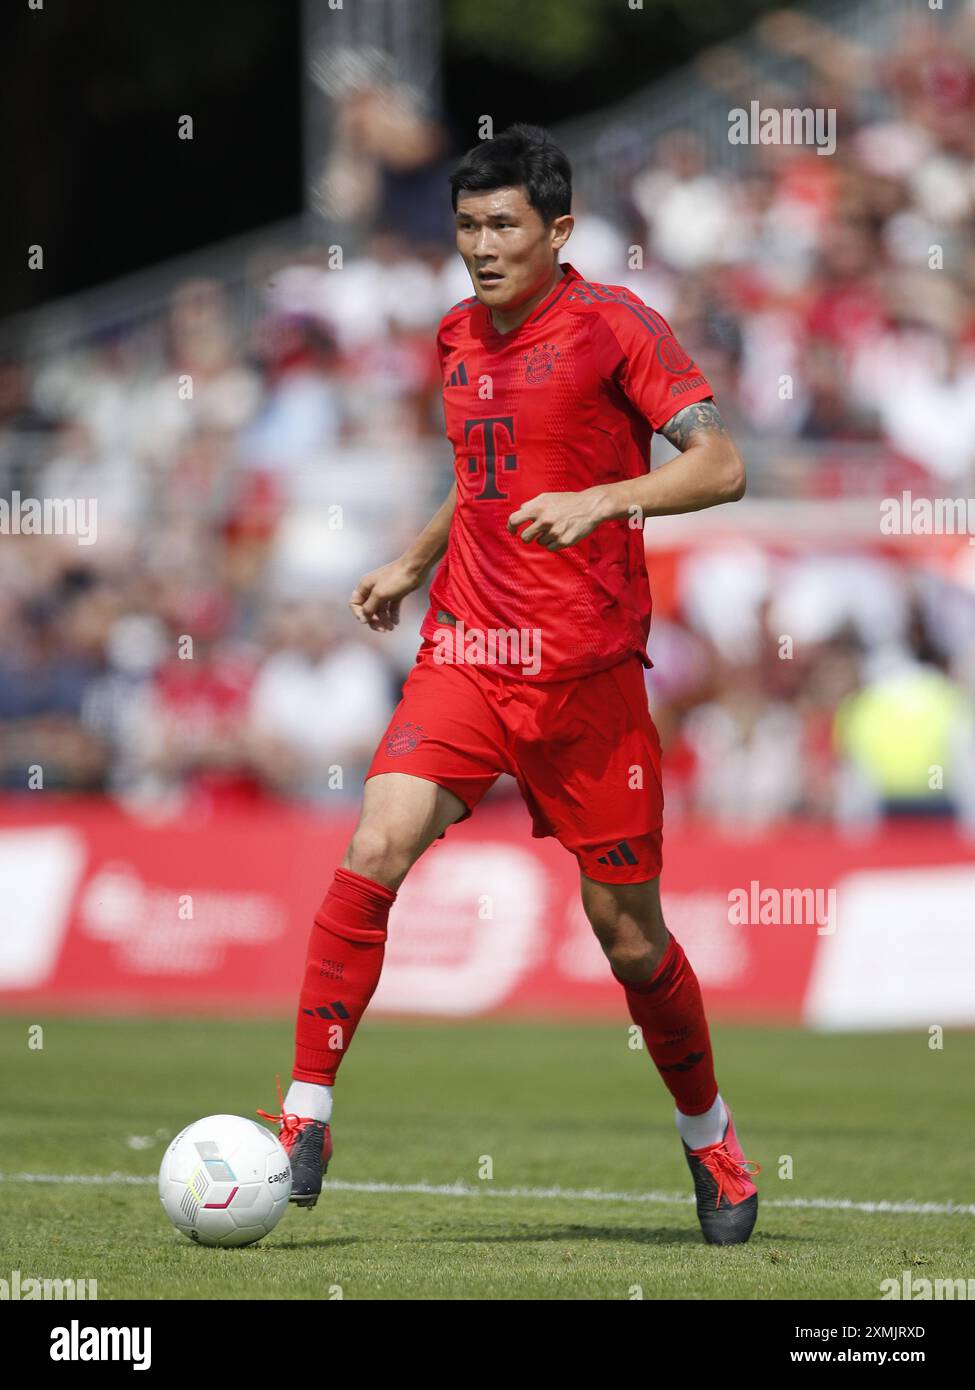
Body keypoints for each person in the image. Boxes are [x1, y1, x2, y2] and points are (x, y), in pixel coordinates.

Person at [258, 124, 759, 1245]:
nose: (482, 249)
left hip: (587, 680)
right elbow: (484, 476)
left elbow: (722, 465)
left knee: (630, 938)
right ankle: (302, 1115)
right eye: (468, 228)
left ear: (559, 231)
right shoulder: (453, 335)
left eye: (503, 228)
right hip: (469, 653)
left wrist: (607, 499)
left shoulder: (614, 327)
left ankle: (711, 1137)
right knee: (376, 844)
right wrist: (416, 558)